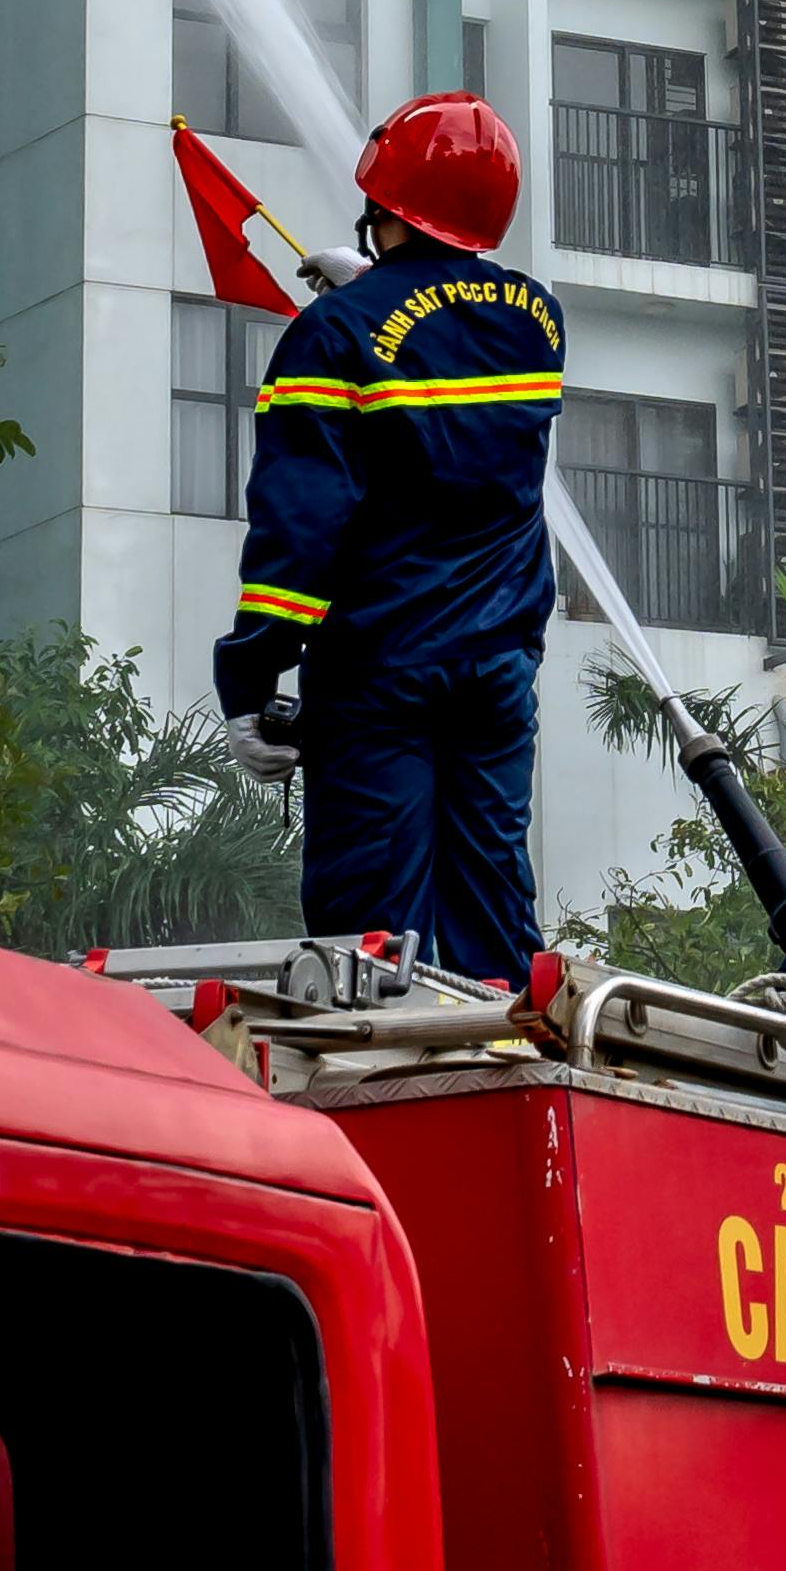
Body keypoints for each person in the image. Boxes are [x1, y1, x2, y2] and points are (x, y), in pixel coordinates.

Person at [213, 91, 562, 976]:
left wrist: (252, 676)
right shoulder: (538, 322)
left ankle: (376, 1099)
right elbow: (447, 339)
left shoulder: (331, 337)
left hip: (381, 669)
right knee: (492, 905)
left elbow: (300, 526)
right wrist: (376, 298)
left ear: (380, 209)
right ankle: (505, 1072)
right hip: (497, 671)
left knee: (370, 932)